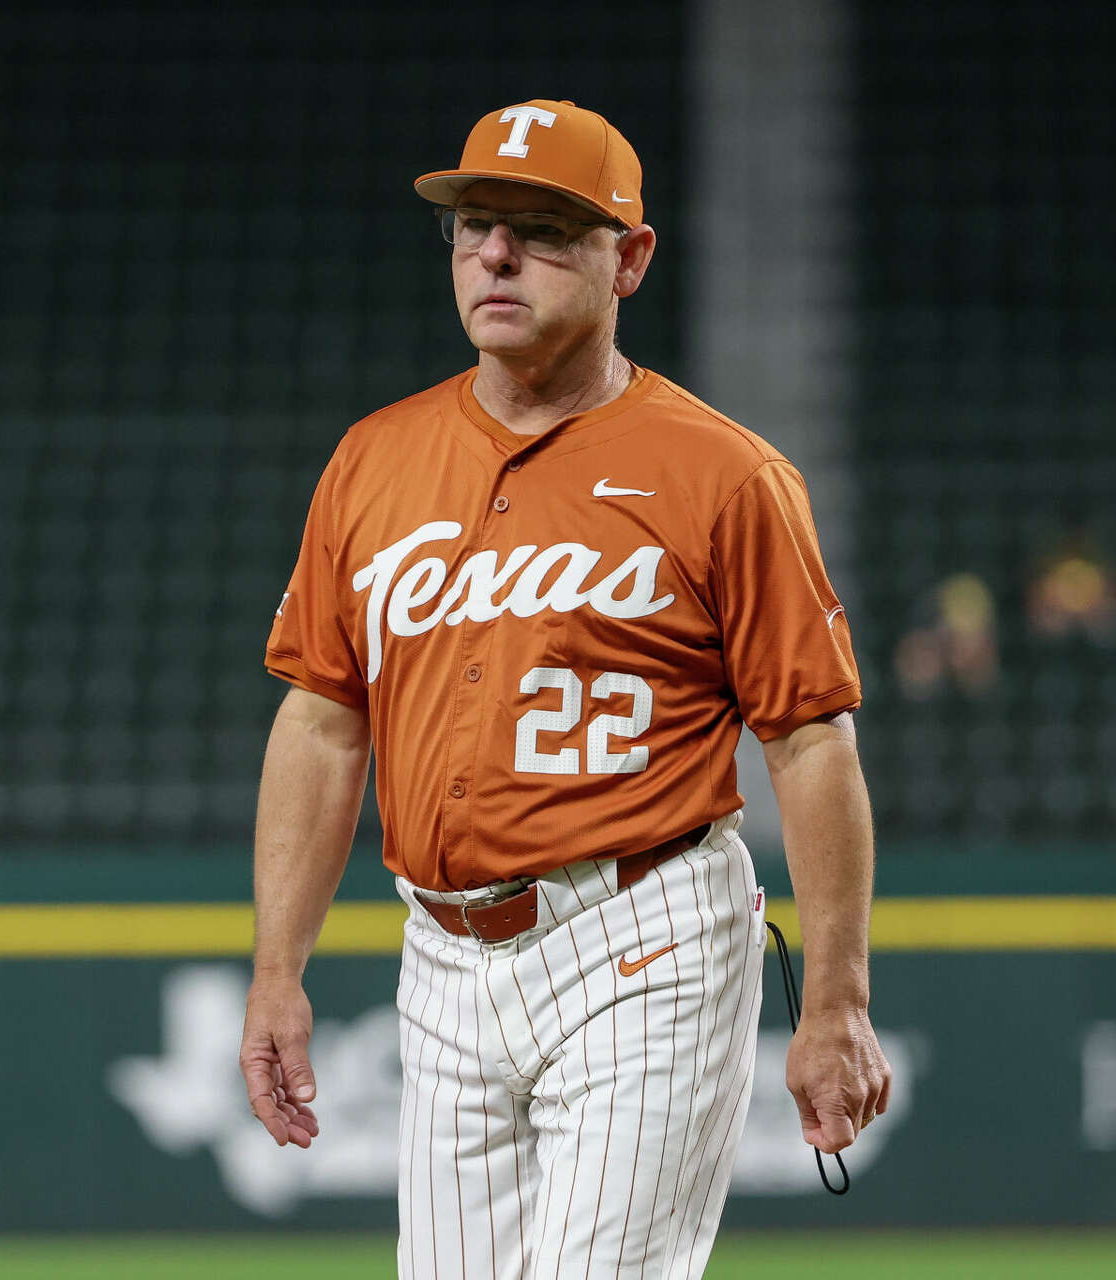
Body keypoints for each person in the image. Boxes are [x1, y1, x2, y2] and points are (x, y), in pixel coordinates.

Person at [241, 99, 891, 1280]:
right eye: (476, 224)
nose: (495, 253)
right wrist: (277, 967)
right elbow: (324, 722)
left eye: (542, 228)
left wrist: (837, 999)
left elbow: (810, 739)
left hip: (645, 929)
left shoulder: (724, 474)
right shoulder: (373, 460)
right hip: (439, 950)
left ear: (628, 258)